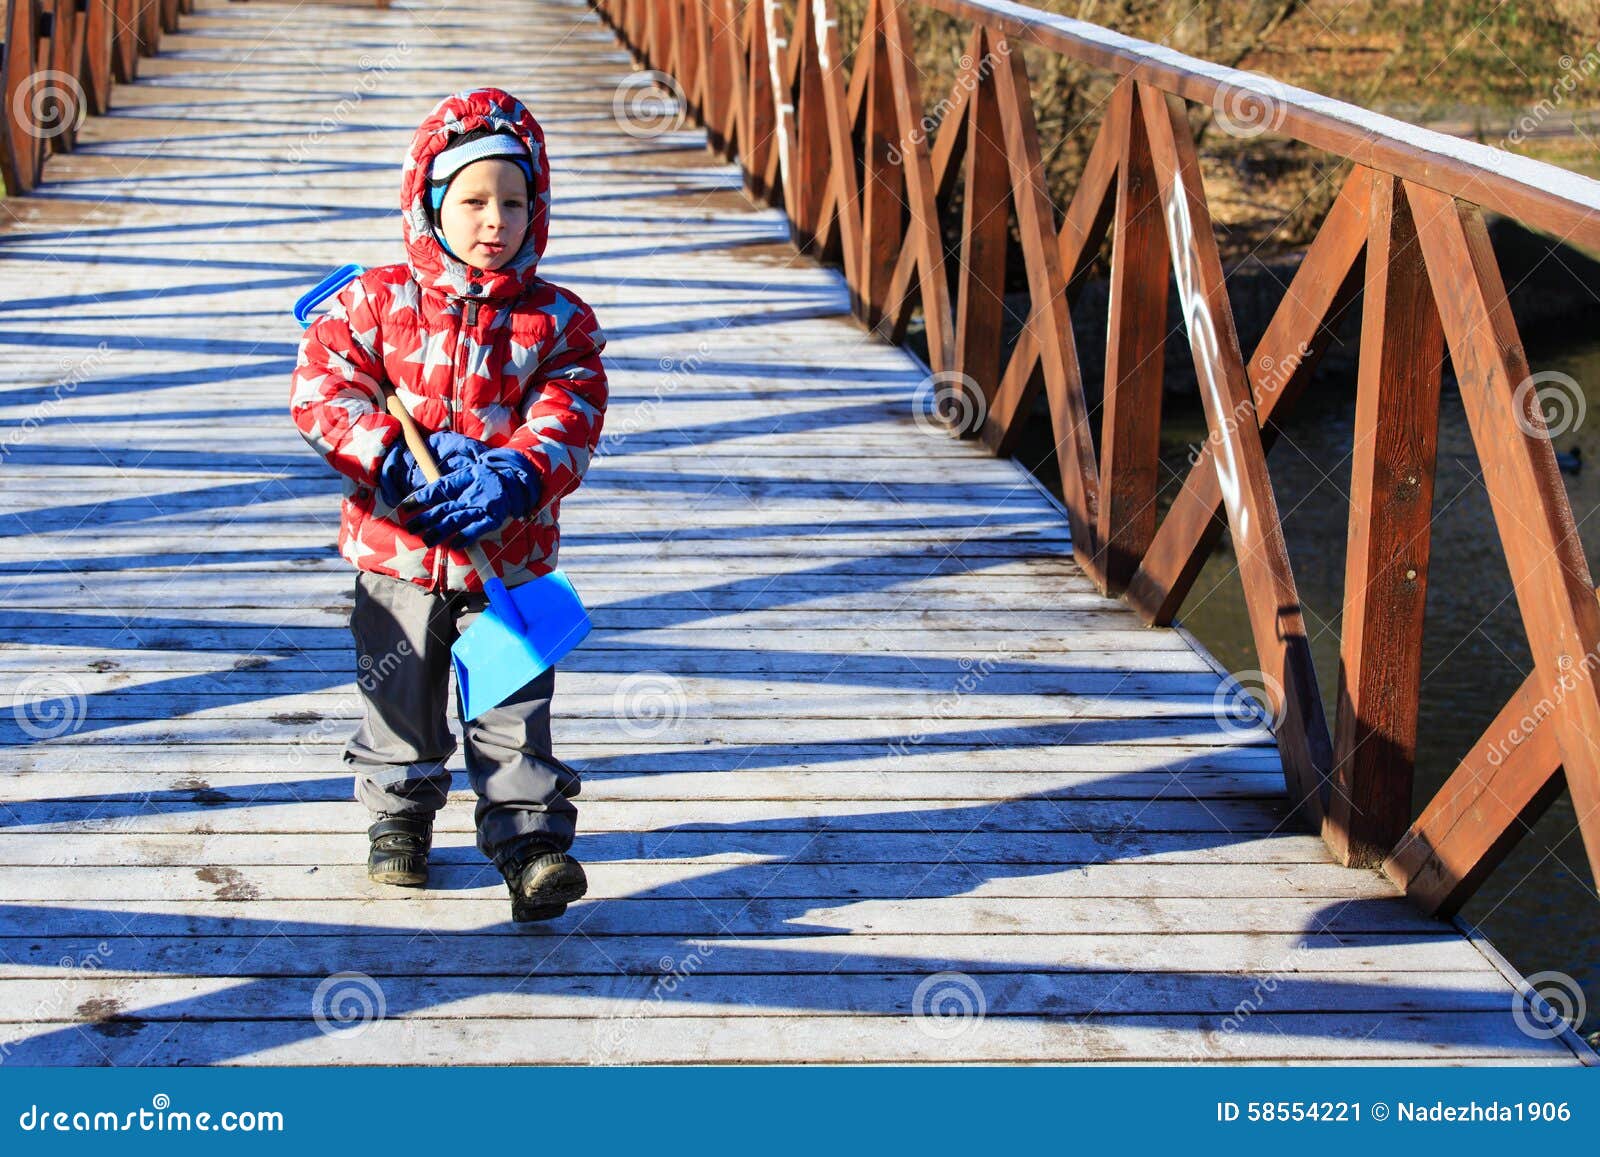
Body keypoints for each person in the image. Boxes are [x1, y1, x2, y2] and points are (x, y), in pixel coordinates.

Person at [289, 87, 607, 922]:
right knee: (398, 690)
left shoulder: (557, 321)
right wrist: (388, 458)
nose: (493, 219)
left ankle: (532, 842)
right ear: (432, 204)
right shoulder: (376, 304)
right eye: (471, 200)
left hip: (511, 552)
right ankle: (399, 816)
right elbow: (325, 391)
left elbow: (571, 410)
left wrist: (514, 475)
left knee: (511, 699)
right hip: (397, 552)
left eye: (513, 200)